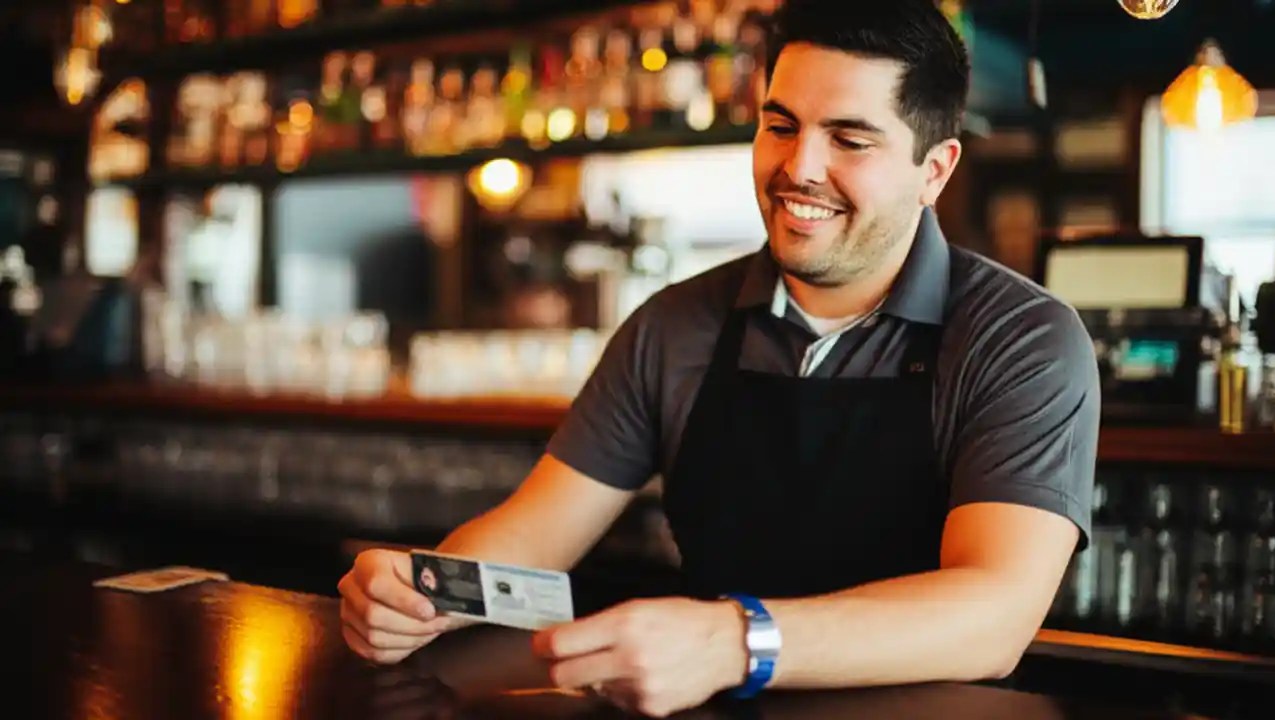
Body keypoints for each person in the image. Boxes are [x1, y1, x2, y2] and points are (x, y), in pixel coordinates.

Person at [337, 0, 1100, 716]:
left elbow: (994, 616)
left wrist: (734, 641)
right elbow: (533, 538)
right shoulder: (675, 327)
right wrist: (424, 591)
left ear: (934, 170)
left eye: (849, 140)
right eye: (781, 125)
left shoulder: (1019, 339)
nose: (800, 167)